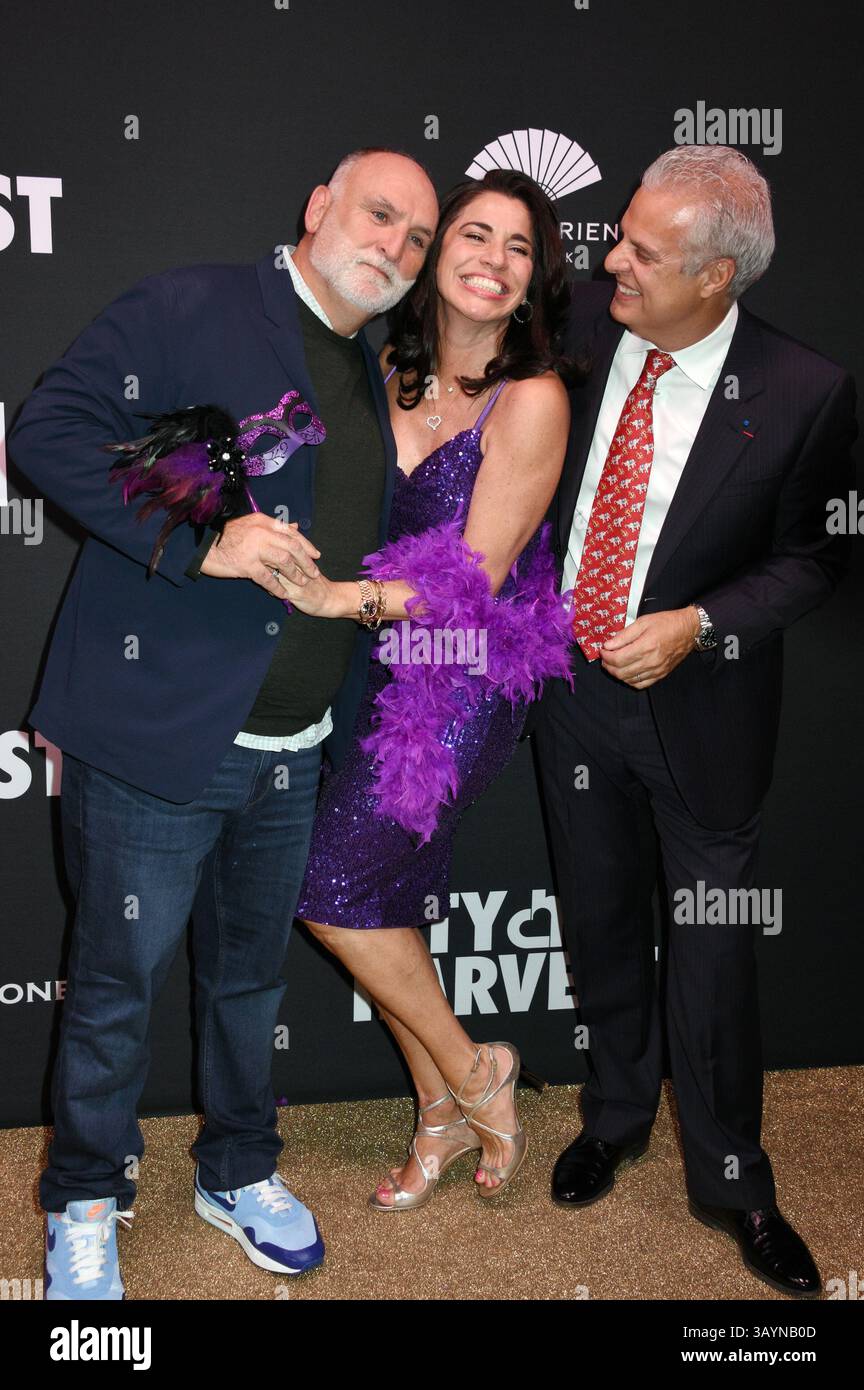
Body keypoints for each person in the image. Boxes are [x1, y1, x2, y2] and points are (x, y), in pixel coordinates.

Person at [8, 147, 439, 1297]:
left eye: (415, 238)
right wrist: (206, 542)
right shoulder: (187, 303)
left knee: (248, 987)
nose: (393, 247)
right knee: (112, 990)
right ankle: (86, 1194)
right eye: (378, 215)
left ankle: (237, 1167)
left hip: (293, 750)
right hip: (157, 742)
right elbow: (46, 434)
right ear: (317, 206)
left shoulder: (377, 368)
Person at [525, 144, 857, 1297]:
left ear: (717, 277)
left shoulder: (803, 390)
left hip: (702, 716)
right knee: (602, 922)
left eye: (643, 253)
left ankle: (732, 1181)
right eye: (617, 234)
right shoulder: (568, 320)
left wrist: (701, 621)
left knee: (710, 960)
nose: (609, 259)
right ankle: (613, 1116)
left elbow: (812, 560)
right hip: (569, 702)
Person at [282, 168, 578, 1210]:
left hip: (456, 676)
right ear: (428, 249)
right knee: (386, 900)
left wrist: (334, 599)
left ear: (535, 279)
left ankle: (474, 1069)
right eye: (474, 234)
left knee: (328, 887)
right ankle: (441, 1116)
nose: (492, 260)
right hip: (369, 665)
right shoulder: (381, 370)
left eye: (518, 248)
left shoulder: (530, 395)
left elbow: (473, 579)